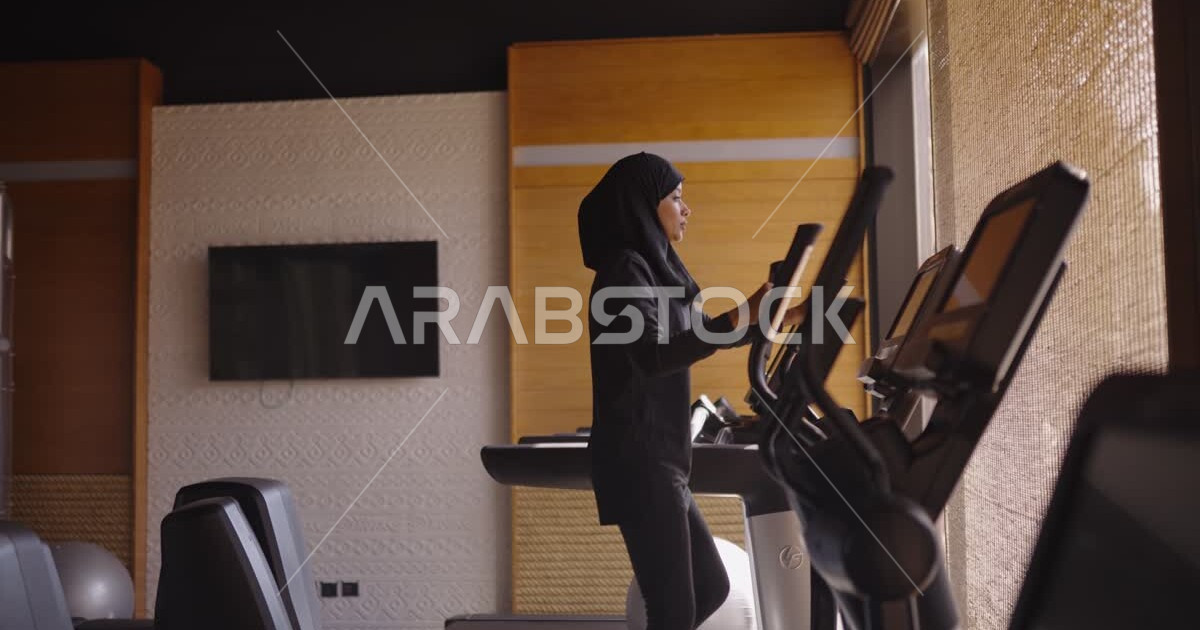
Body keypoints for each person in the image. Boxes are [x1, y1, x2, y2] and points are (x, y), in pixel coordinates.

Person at [578, 152, 801, 630]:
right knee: (673, 611)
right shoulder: (624, 271)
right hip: (639, 459)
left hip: (662, 460)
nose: (686, 209)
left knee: (710, 587)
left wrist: (774, 318)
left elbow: (697, 336)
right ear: (644, 205)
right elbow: (655, 355)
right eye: (676, 198)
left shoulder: (653, 271)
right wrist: (741, 312)